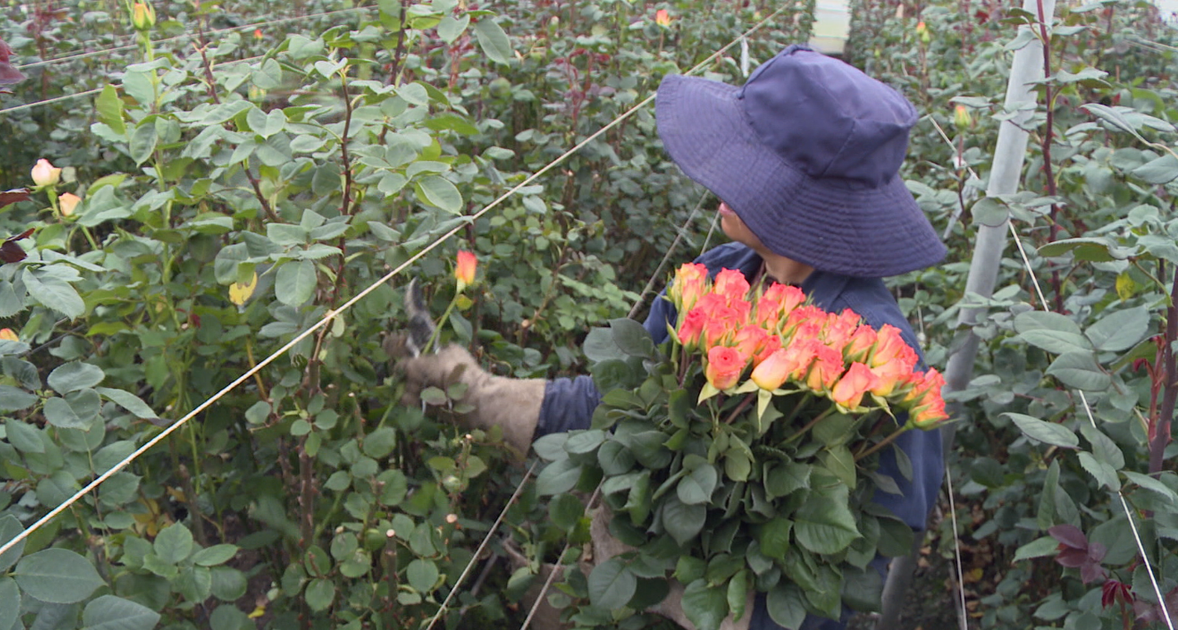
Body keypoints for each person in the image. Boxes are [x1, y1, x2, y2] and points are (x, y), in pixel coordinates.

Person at [390, 44, 947, 630]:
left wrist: (727, 613)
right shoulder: (720, 275)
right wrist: (477, 390)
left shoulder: (876, 352)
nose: (722, 175)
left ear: (808, 200)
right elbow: (619, 402)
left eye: (750, 164)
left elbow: (866, 553)